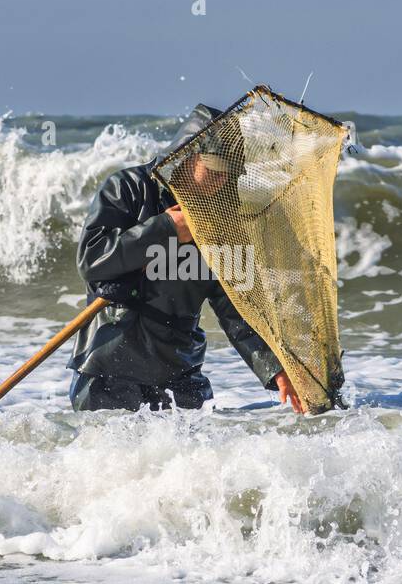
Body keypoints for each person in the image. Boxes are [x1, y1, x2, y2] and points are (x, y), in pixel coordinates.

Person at [67, 104, 305, 413]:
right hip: (108, 370)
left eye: (227, 174)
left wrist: (275, 368)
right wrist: (165, 229)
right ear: (186, 155)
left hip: (179, 375)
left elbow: (236, 307)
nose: (219, 181)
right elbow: (92, 259)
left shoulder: (223, 221)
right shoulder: (127, 188)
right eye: (213, 170)